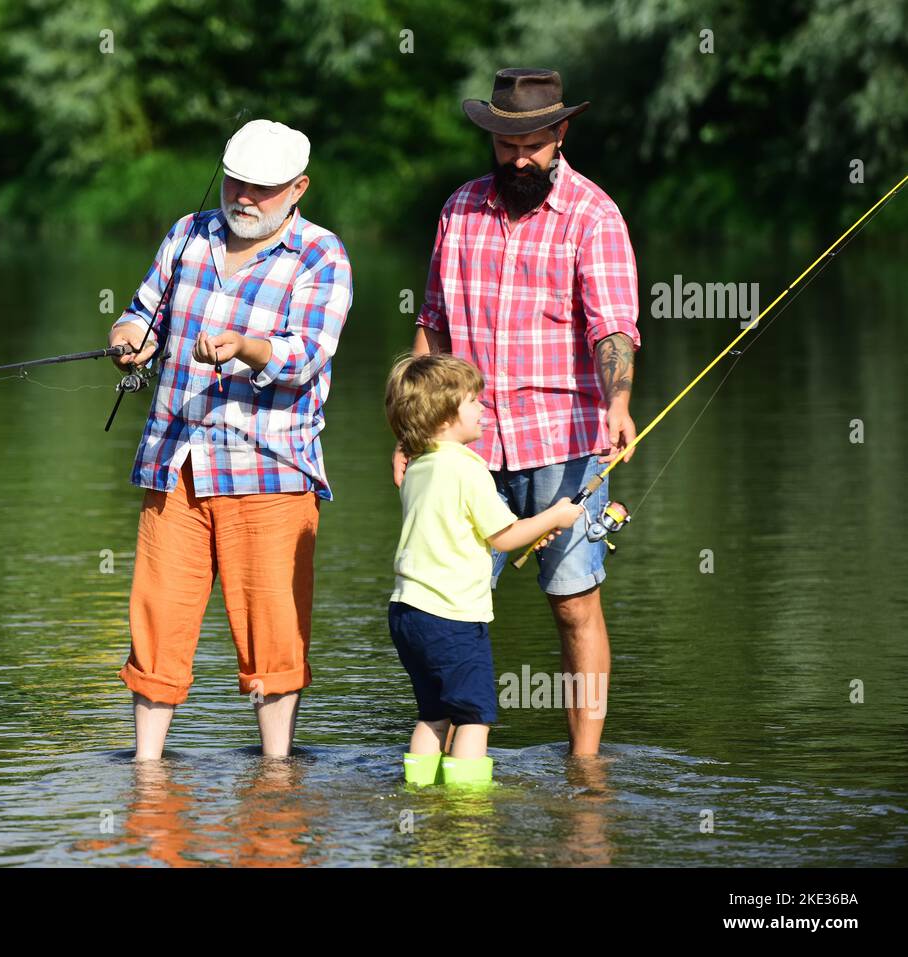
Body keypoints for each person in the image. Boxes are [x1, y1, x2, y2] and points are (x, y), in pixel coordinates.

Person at [395, 68, 641, 755]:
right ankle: (439, 753)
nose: (519, 158)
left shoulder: (595, 215)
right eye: (507, 145)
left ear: (561, 133)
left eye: (532, 143)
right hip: (461, 449)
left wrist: (618, 402)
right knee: (442, 604)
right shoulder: (459, 209)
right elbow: (433, 326)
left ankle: (585, 764)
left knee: (573, 603)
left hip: (564, 445)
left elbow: (613, 328)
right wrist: (410, 433)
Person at [108, 119, 353, 761]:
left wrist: (245, 348)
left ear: (298, 188)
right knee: (157, 618)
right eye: (237, 180)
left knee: (273, 631)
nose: (244, 196)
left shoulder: (321, 254)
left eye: (263, 188)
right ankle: (146, 769)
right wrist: (127, 340)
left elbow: (306, 356)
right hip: (174, 460)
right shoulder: (186, 235)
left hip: (270, 469)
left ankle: (276, 772)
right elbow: (142, 313)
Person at [385, 353, 583, 786]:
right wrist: (555, 517)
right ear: (445, 414)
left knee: (433, 713)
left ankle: (417, 794)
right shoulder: (468, 468)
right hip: (451, 616)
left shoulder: (419, 465)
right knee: (474, 715)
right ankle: (468, 810)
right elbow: (505, 537)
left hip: (407, 613)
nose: (482, 409)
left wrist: (530, 529)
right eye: (474, 401)